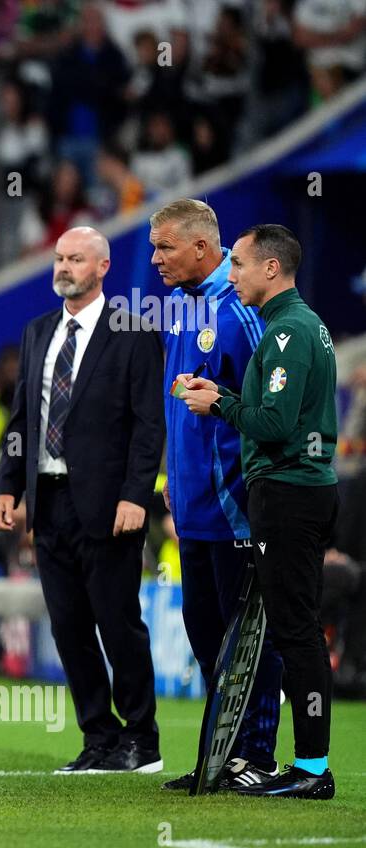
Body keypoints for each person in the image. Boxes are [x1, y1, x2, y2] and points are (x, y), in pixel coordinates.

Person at [0, 226, 164, 774]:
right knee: (67, 625)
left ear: (103, 267)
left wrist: (137, 495)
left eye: (76, 259)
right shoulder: (37, 331)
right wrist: (6, 486)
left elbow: (148, 425)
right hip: (49, 501)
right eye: (60, 258)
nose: (64, 267)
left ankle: (142, 739)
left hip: (111, 503)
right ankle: (98, 737)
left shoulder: (133, 331)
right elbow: (22, 419)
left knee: (118, 622)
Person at [179, 224, 339, 799]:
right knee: (296, 629)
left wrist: (217, 400)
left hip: (289, 491)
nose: (232, 274)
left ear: (272, 269)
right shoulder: (296, 326)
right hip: (298, 488)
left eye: (240, 264)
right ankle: (306, 764)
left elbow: (273, 424)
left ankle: (313, 769)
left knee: (295, 630)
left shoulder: (289, 333)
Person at [148, 198, 282, 791]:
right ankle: (220, 754)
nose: (155, 259)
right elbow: (180, 408)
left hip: (236, 507)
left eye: (165, 247)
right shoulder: (178, 306)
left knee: (248, 635)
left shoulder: (244, 309)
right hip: (194, 508)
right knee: (207, 634)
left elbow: (270, 410)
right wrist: (173, 483)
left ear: (203, 248)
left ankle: (255, 757)